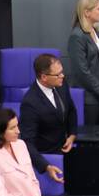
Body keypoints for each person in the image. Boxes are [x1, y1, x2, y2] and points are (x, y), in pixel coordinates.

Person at [19, 53, 77, 185]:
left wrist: (72, 134)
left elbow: (71, 110)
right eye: (58, 74)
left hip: (65, 149)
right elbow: (27, 142)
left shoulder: (61, 84)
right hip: (47, 156)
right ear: (44, 77)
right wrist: (45, 166)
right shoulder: (30, 103)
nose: (62, 76)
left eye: (62, 72)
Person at [66, 0, 99, 126]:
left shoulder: (94, 31)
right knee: (90, 137)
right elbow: (82, 72)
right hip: (89, 97)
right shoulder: (77, 36)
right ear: (87, 12)